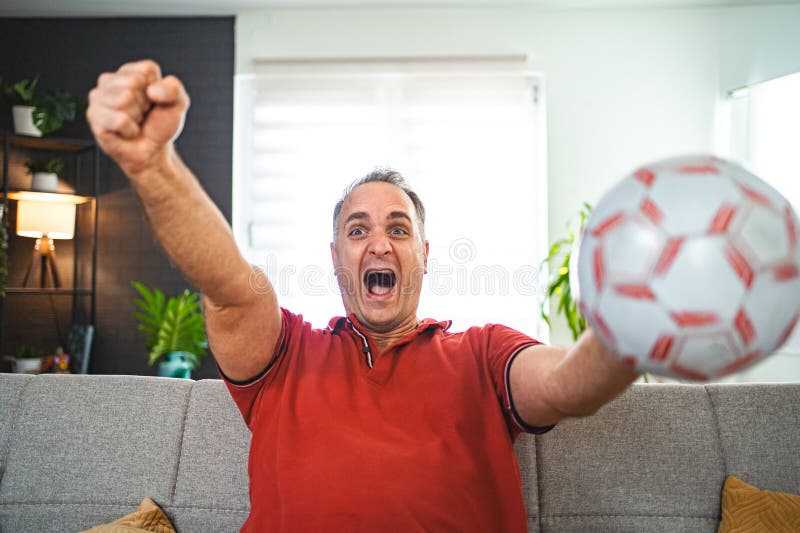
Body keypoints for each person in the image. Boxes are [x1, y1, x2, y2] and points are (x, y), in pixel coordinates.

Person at [87, 60, 639, 533]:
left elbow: (568, 385)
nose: (379, 242)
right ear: (335, 258)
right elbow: (230, 287)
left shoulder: (484, 354)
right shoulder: (286, 352)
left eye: (399, 229)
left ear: (425, 255)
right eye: (358, 230)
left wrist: (637, 330)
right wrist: (153, 166)